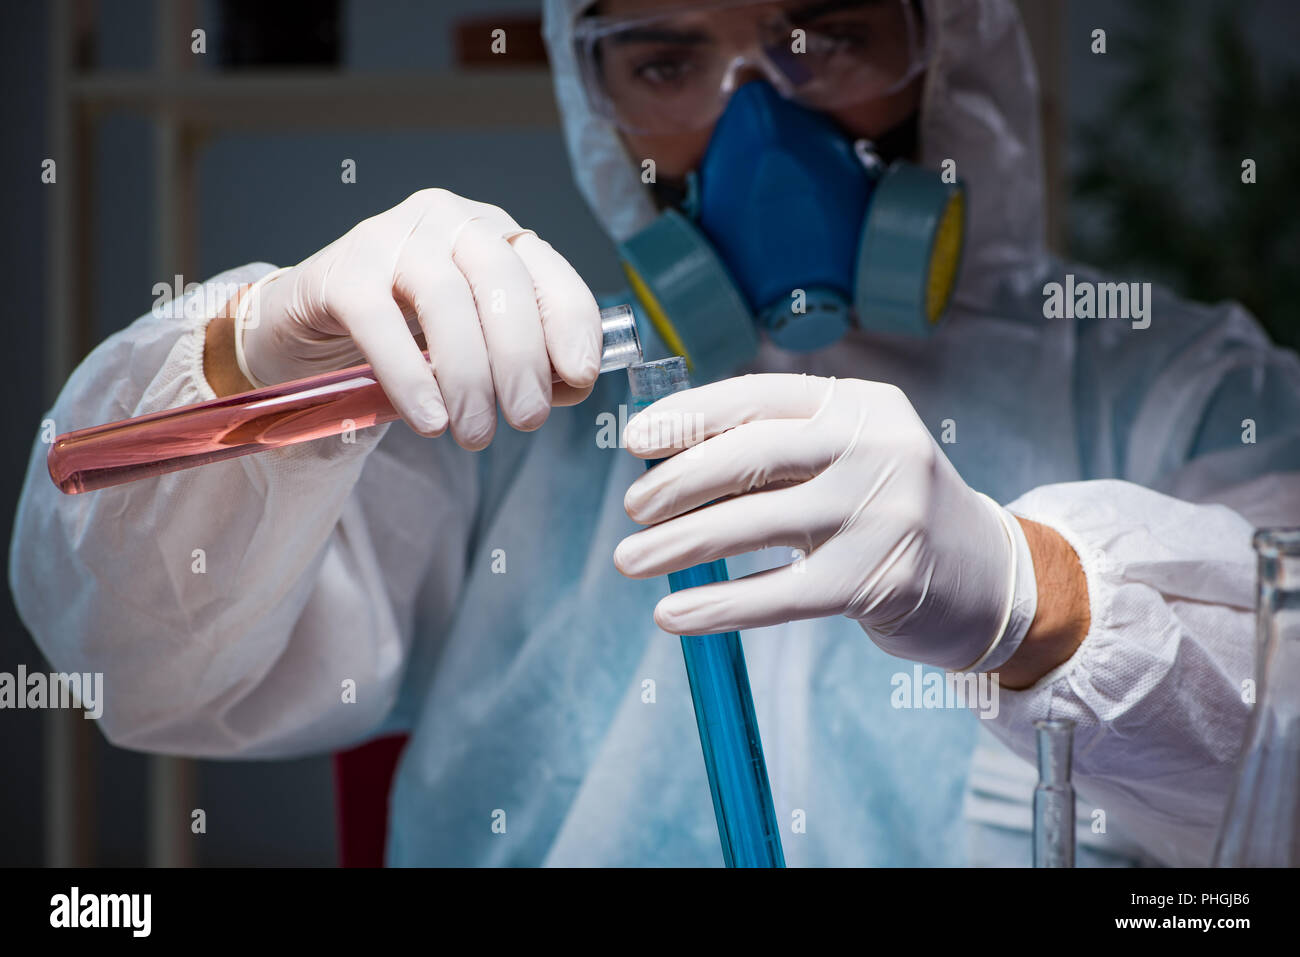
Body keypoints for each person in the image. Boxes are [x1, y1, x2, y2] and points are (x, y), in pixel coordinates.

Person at [11, 0, 1299, 867]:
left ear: (946, 48)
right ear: (597, 98)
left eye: (823, 37)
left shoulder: (1167, 377)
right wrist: (245, 357)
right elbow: (143, 670)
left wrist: (1045, 597)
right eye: (667, 63)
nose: (757, 128)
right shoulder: (509, 392)